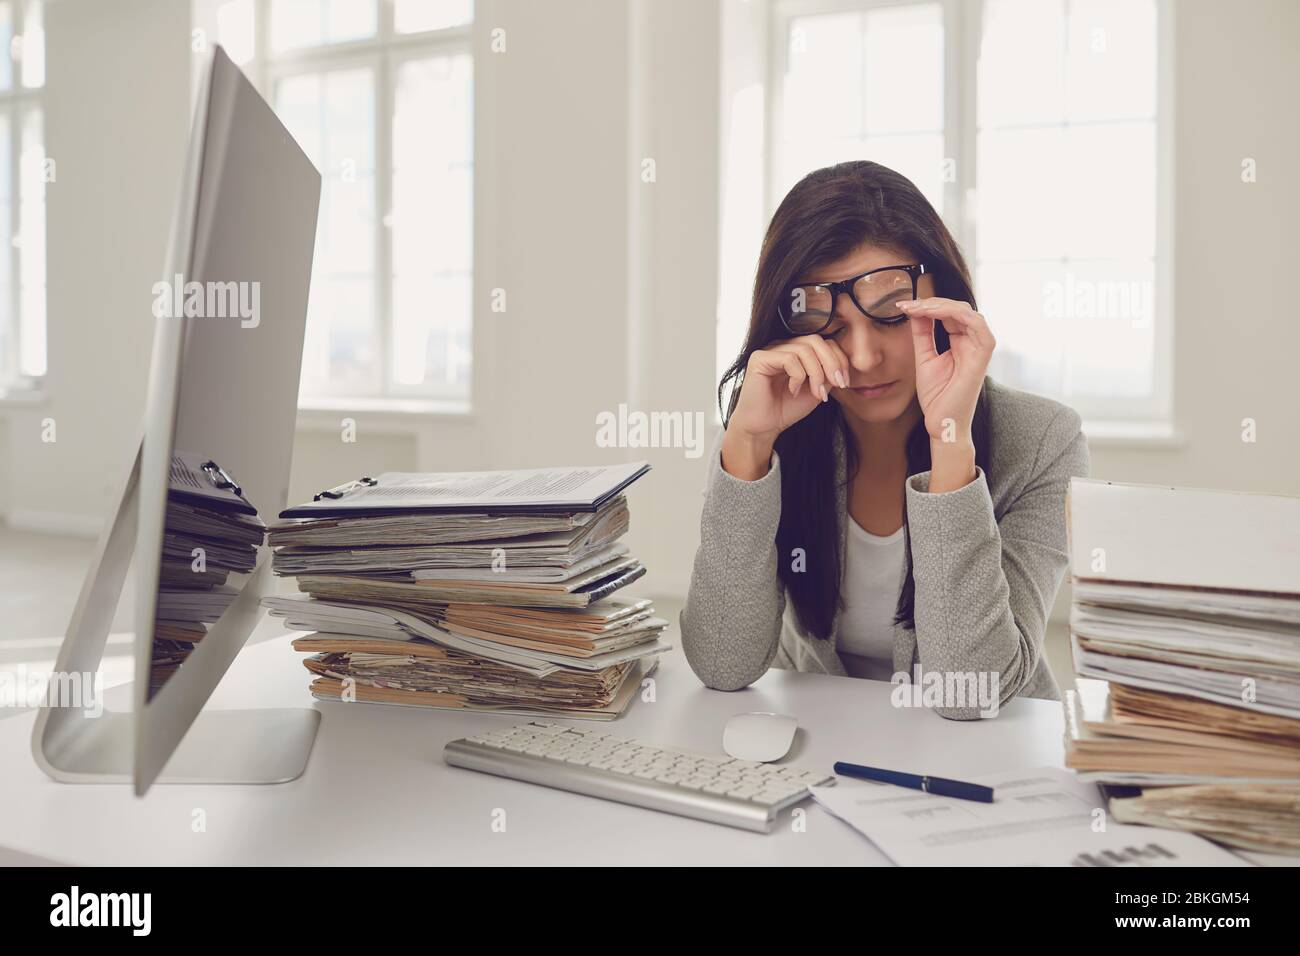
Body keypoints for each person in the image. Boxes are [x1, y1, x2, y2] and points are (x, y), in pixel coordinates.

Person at [679, 160, 1090, 719]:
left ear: (943, 299)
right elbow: (722, 664)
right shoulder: (786, 429)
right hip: (825, 752)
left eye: (893, 314)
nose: (865, 358)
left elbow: (970, 692)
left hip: (988, 763)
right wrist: (748, 444)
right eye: (832, 326)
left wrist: (951, 443)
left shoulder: (1044, 440)